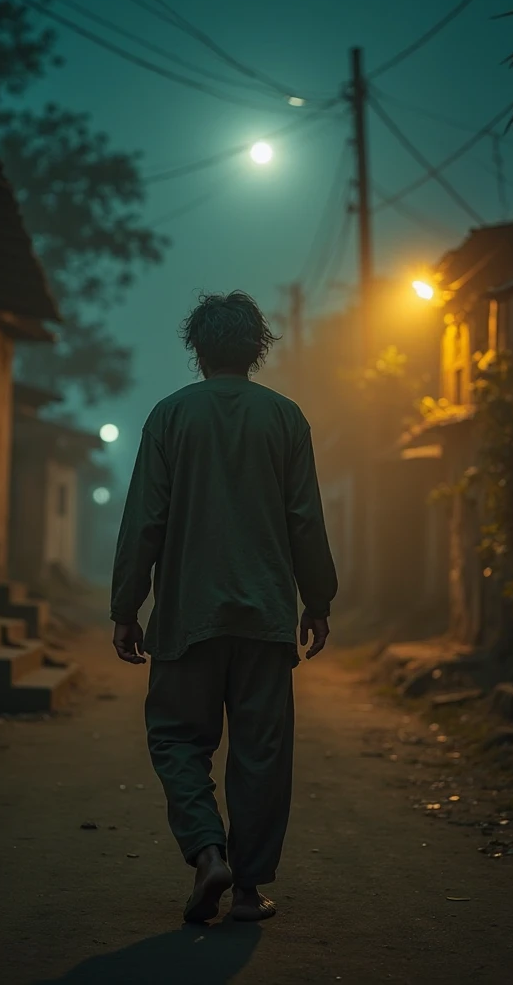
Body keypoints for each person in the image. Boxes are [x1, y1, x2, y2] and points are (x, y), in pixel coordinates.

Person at [110, 290, 337, 924]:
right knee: (261, 755)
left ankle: (209, 853)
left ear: (198, 349)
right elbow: (304, 520)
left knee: (177, 739)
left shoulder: (169, 416)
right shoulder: (285, 418)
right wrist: (318, 600)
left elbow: (144, 521)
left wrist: (126, 606)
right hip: (265, 617)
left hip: (188, 617)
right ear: (256, 349)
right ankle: (247, 890)